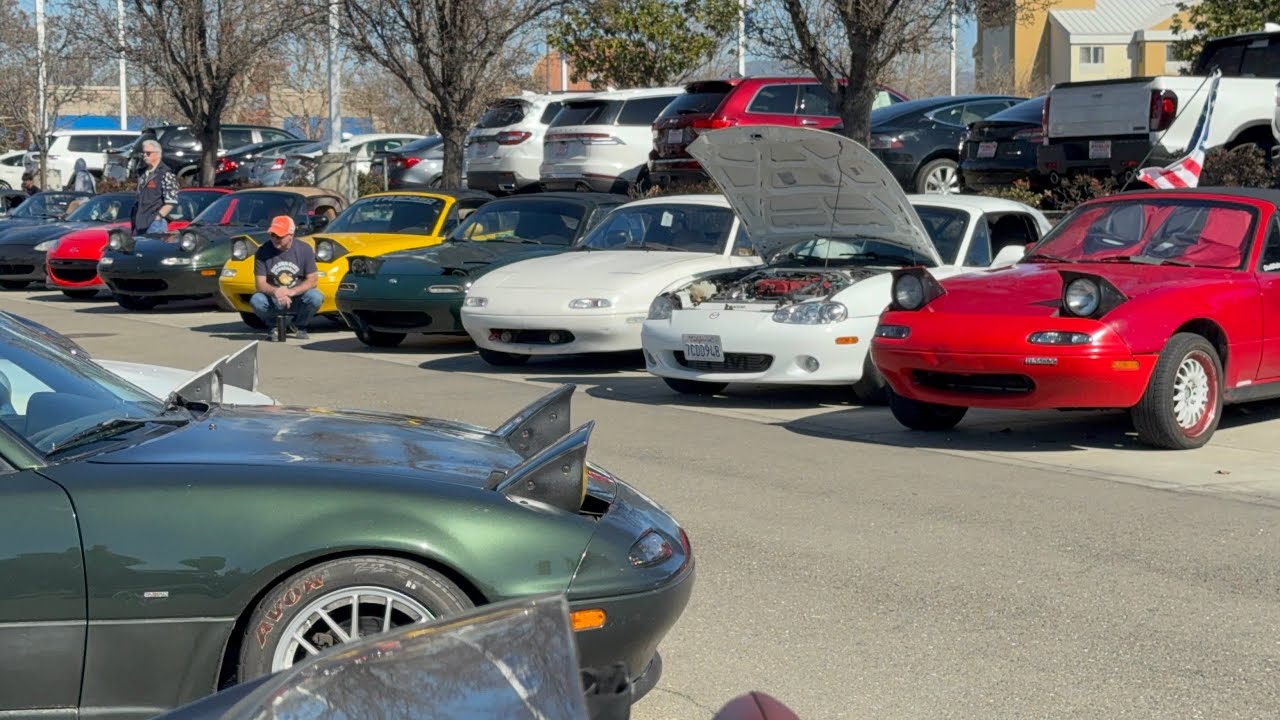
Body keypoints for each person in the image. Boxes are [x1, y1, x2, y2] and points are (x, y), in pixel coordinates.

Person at [250, 215, 323, 340]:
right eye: (272, 235)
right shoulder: (263, 251)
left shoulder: (305, 249)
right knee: (257, 300)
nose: (275, 239)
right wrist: (276, 292)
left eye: (279, 236)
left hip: (298, 296)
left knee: (316, 297)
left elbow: (312, 280)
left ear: (291, 235)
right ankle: (274, 326)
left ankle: (299, 326)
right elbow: (260, 284)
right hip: (274, 298)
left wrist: (291, 292)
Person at [133, 139, 179, 234]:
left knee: (153, 248)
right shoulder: (142, 173)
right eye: (143, 153)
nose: (144, 155)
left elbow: (171, 201)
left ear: (157, 154)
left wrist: (158, 217)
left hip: (155, 224)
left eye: (148, 153)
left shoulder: (166, 173)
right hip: (139, 223)